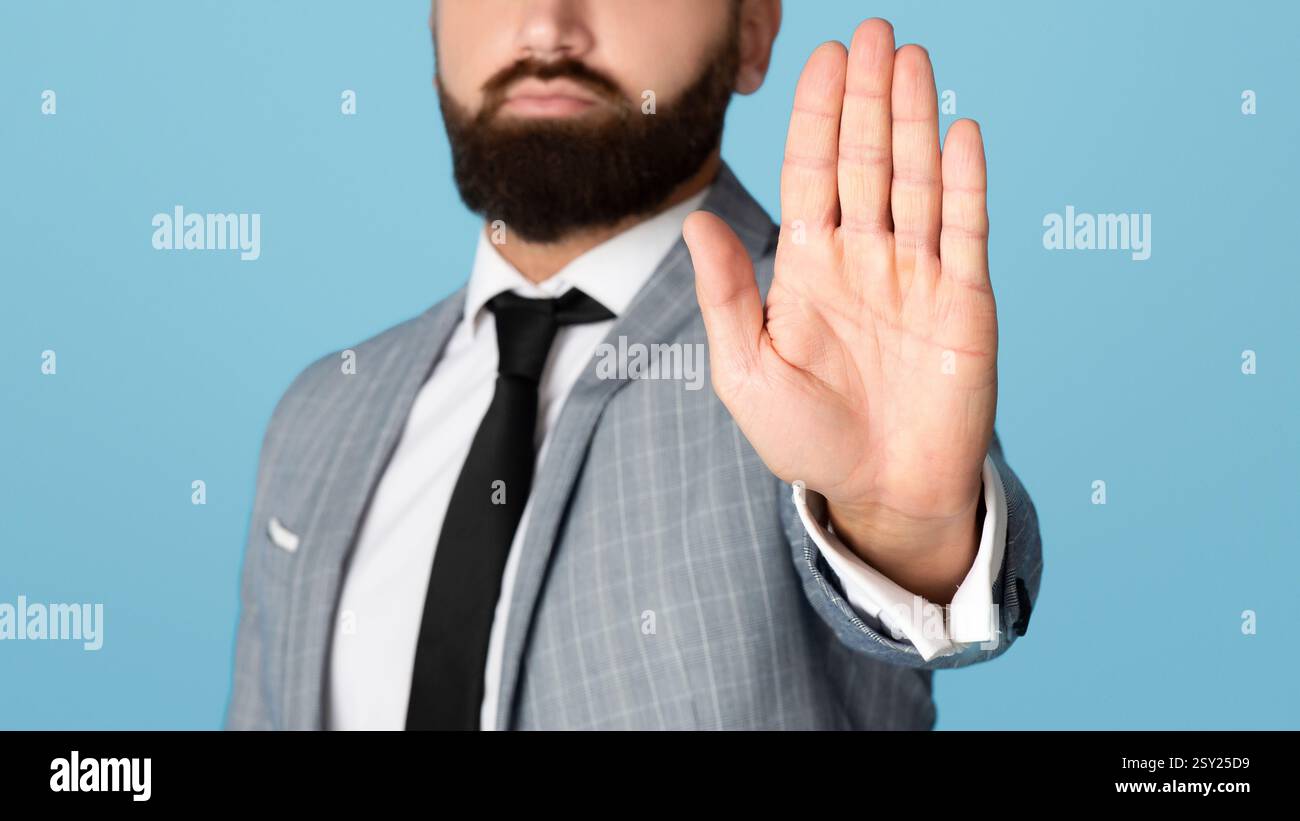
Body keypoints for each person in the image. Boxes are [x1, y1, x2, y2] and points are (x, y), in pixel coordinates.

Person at [227, 0, 1041, 731]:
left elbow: (922, 569)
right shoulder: (318, 416)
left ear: (751, 33)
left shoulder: (834, 360)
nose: (546, 27)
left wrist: (899, 527)